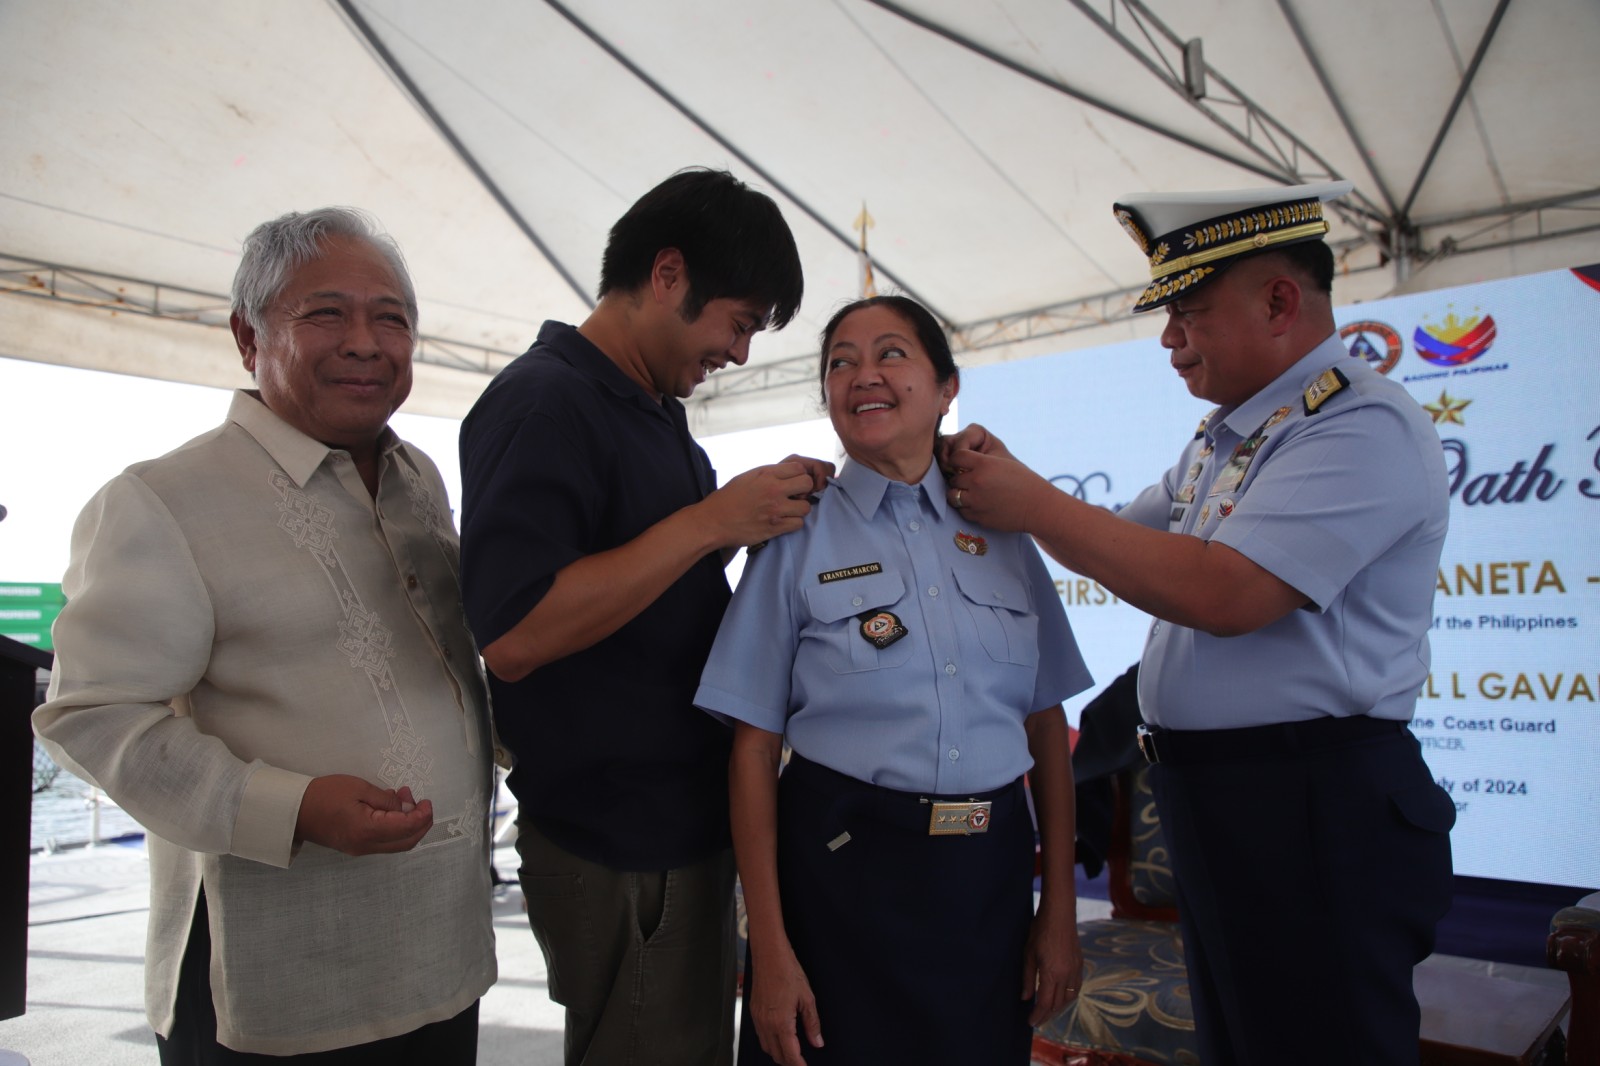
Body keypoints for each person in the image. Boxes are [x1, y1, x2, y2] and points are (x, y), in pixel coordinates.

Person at [942, 182, 1456, 1065]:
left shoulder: (1357, 425)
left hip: (1312, 806)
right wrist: (996, 491)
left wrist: (1030, 501)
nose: (1170, 341)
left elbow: (1225, 595)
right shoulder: (1230, 438)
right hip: (1228, 804)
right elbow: (1120, 543)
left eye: (1190, 313)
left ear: (1281, 301)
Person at [32, 207, 496, 1061]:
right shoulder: (165, 499)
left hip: (444, 950)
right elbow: (91, 715)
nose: (366, 341)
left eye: (391, 318)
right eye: (326, 313)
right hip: (282, 976)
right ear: (249, 337)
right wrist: (297, 807)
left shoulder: (419, 478)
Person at [458, 167, 830, 1066]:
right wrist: (710, 522)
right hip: (619, 844)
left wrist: (751, 525)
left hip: (678, 827)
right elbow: (515, 634)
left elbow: (656, 588)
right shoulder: (546, 402)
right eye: (736, 324)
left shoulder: (653, 414)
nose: (738, 355)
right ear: (669, 275)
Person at [695, 295, 1093, 1065]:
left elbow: (1045, 725)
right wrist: (768, 953)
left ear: (948, 387)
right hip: (845, 880)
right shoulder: (792, 530)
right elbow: (751, 750)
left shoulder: (1004, 524)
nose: (862, 375)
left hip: (986, 883)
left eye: (890, 354)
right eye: (839, 362)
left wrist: (1060, 915)